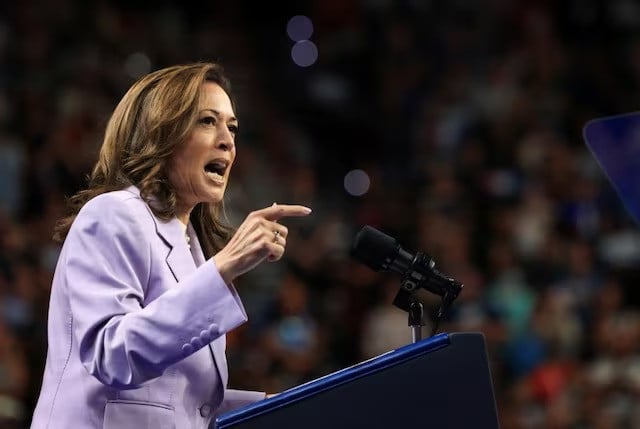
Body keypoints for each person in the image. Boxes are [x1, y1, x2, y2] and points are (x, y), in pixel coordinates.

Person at [30, 62, 312, 429]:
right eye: (207, 121)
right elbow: (112, 355)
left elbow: (177, 401)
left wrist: (282, 407)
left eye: (232, 126)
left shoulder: (191, 247)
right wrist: (224, 266)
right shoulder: (113, 213)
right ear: (160, 132)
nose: (227, 139)